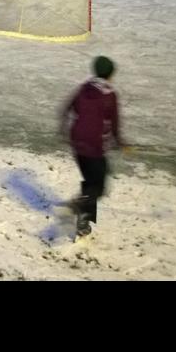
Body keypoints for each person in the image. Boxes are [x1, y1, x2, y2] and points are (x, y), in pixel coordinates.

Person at [59, 56, 128, 237]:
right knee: (99, 188)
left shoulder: (83, 88)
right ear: (111, 74)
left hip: (77, 142)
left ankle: (83, 224)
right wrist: (120, 142)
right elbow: (114, 122)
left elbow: (66, 109)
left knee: (90, 184)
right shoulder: (109, 94)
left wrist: (65, 131)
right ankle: (80, 205)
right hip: (95, 146)